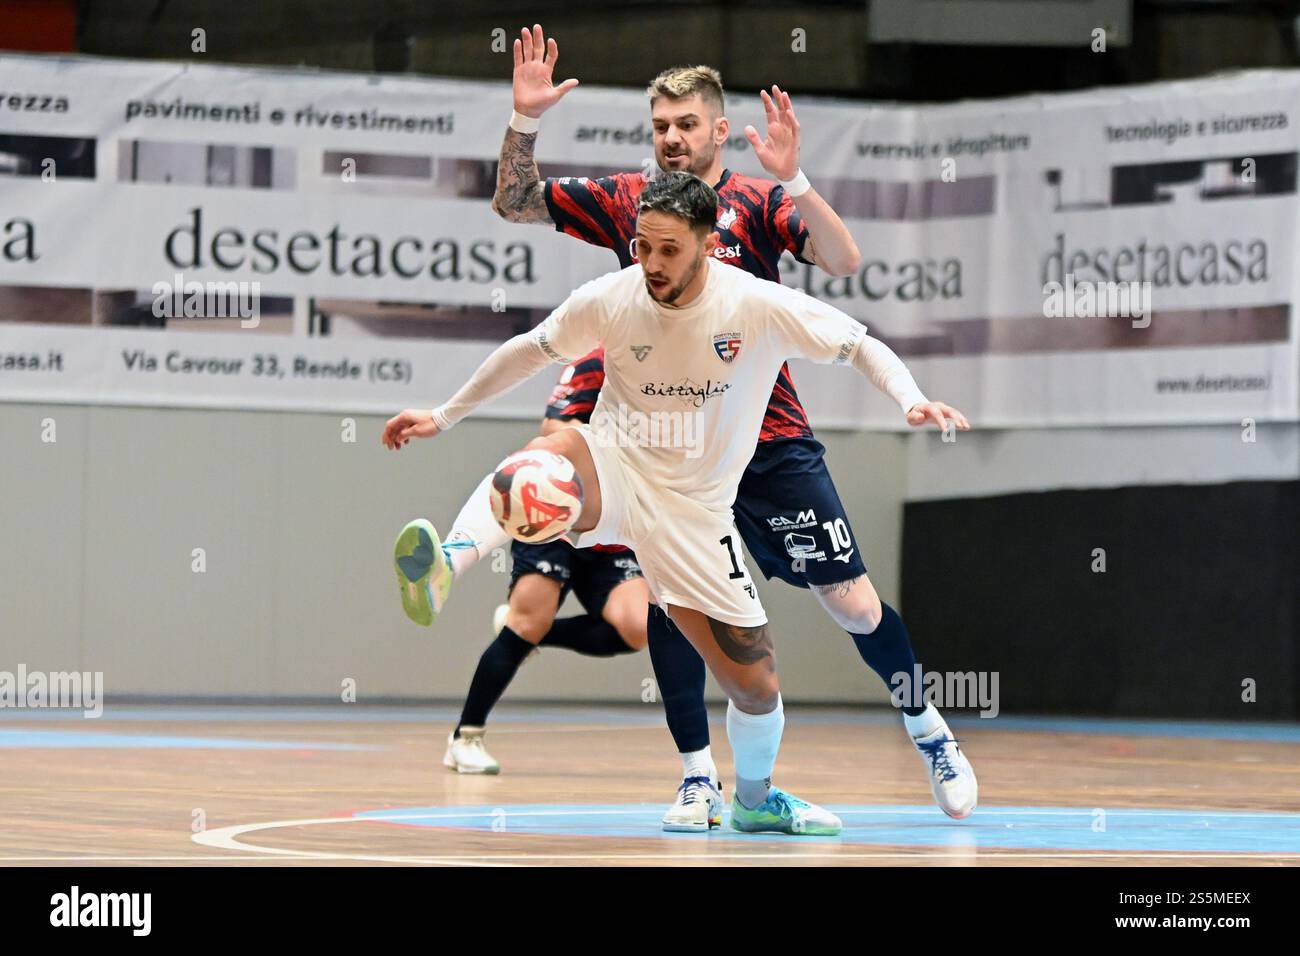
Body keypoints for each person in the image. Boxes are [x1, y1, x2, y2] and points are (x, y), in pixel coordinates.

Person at [487, 25, 979, 827]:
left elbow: (843, 260)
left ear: (720, 129)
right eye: (660, 127)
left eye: (687, 124)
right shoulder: (629, 203)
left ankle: (928, 729)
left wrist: (801, 180)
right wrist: (526, 120)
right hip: (665, 444)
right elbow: (515, 202)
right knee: (675, 603)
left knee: (852, 604)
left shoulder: (754, 202)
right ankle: (695, 778)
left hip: (769, 441)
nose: (672, 139)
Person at [384, 171, 973, 835]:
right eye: (641, 247)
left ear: (705, 243)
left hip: (695, 511)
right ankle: (448, 565)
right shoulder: (613, 297)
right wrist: (444, 414)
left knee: (756, 686)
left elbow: (859, 343)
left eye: (668, 249)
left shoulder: (753, 304)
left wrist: (909, 398)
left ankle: (753, 799)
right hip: (616, 460)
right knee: (542, 461)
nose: (652, 264)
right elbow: (530, 349)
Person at [442, 348, 651, 775]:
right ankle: (465, 737)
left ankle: (538, 635)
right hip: (558, 515)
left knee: (638, 626)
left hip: (611, 529)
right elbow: (553, 425)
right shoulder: (598, 361)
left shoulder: (672, 371)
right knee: (527, 620)